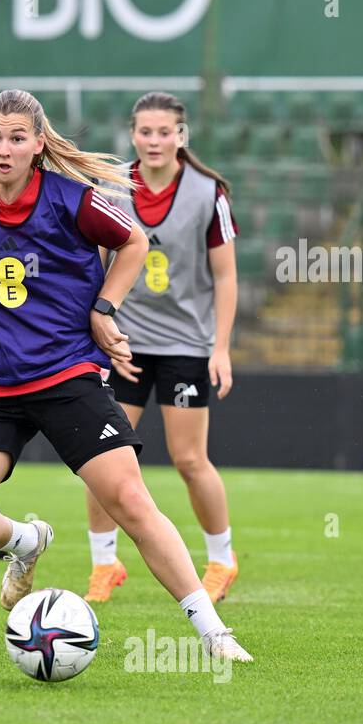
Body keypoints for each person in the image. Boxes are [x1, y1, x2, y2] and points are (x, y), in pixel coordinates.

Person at [0, 88, 253, 663]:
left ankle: (213, 632)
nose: (3, 148)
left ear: (39, 144)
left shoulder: (72, 199)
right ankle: (25, 539)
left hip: (66, 374)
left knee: (131, 500)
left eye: (17, 138)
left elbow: (132, 243)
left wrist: (103, 308)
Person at [84, 91, 242, 605]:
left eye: (165, 131)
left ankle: (221, 558)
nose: (155, 140)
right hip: (124, 343)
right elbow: (97, 264)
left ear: (181, 136)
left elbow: (226, 276)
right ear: (133, 135)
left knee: (190, 459)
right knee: (102, 454)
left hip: (185, 345)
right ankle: (104, 564)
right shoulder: (112, 186)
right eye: (146, 132)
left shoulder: (207, 191)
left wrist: (220, 348)